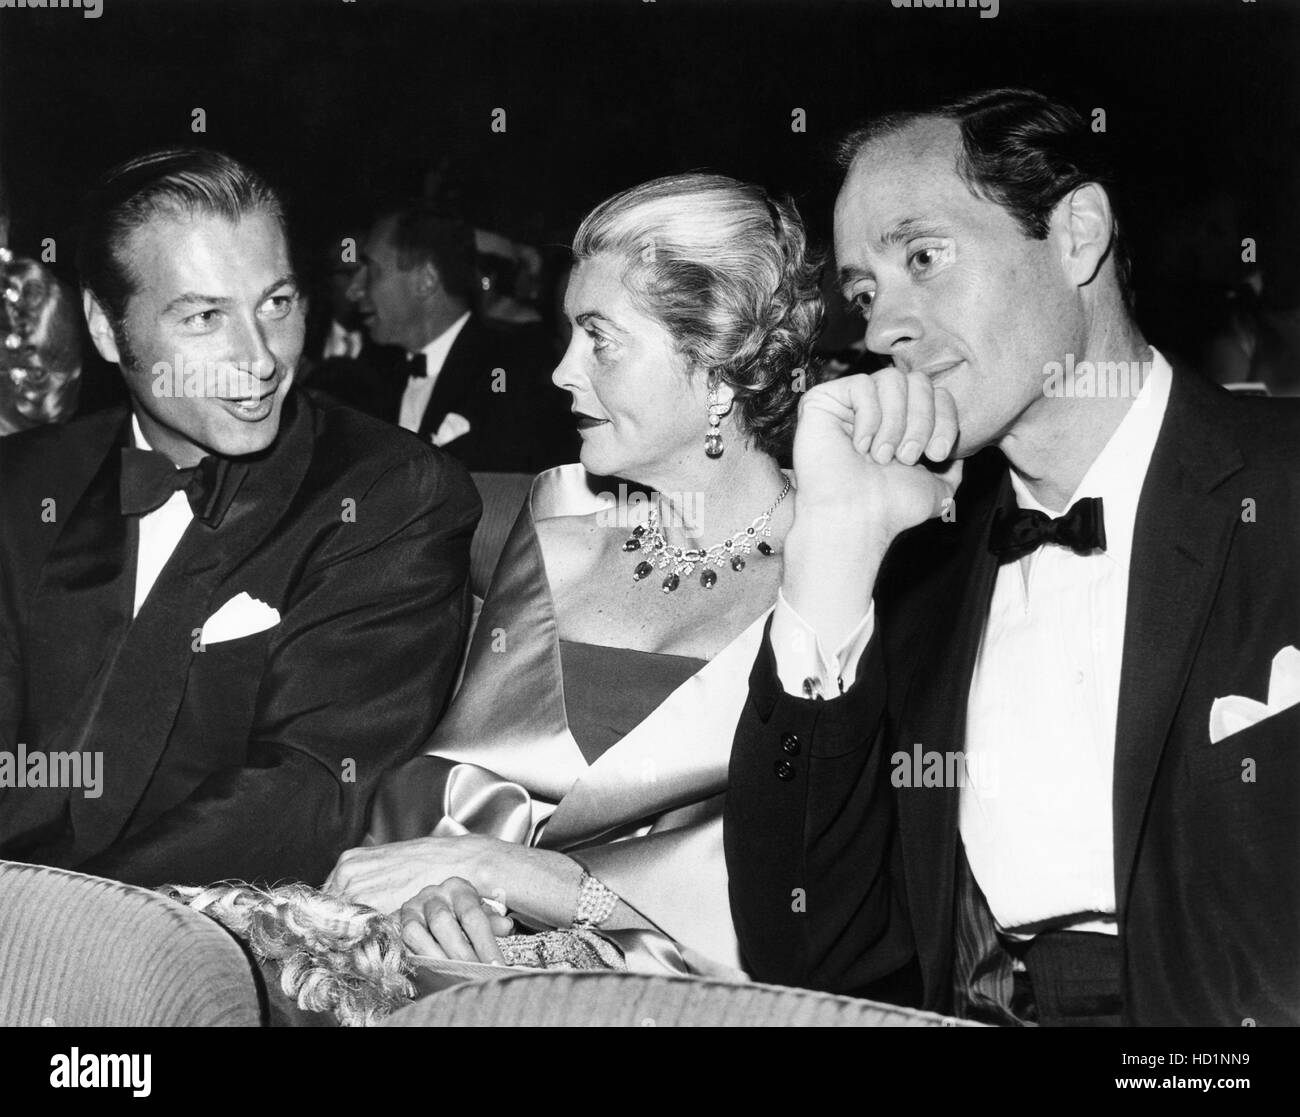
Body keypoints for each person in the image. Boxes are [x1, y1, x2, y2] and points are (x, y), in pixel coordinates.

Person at [723, 88, 1300, 1027]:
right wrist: (829, 560)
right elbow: (808, 953)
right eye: (865, 293)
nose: (880, 330)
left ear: (1077, 235)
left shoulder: (1283, 489)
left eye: (923, 257)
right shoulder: (918, 573)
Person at [327, 173, 822, 977]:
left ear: (719, 362)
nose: (561, 371)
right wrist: (442, 889)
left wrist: (524, 877)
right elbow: (437, 798)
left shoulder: (834, 581)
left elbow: (805, 898)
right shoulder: (556, 545)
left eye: (600, 337)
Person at [0, 149, 480, 888]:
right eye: (204, 316)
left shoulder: (392, 494)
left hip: (193, 941)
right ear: (105, 326)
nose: (259, 358)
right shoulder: (23, 481)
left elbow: (306, 794)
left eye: (276, 304)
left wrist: (63, 932)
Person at [338, 202, 575, 472]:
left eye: (371, 270)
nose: (354, 290)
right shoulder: (364, 378)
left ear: (425, 280)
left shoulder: (520, 367)